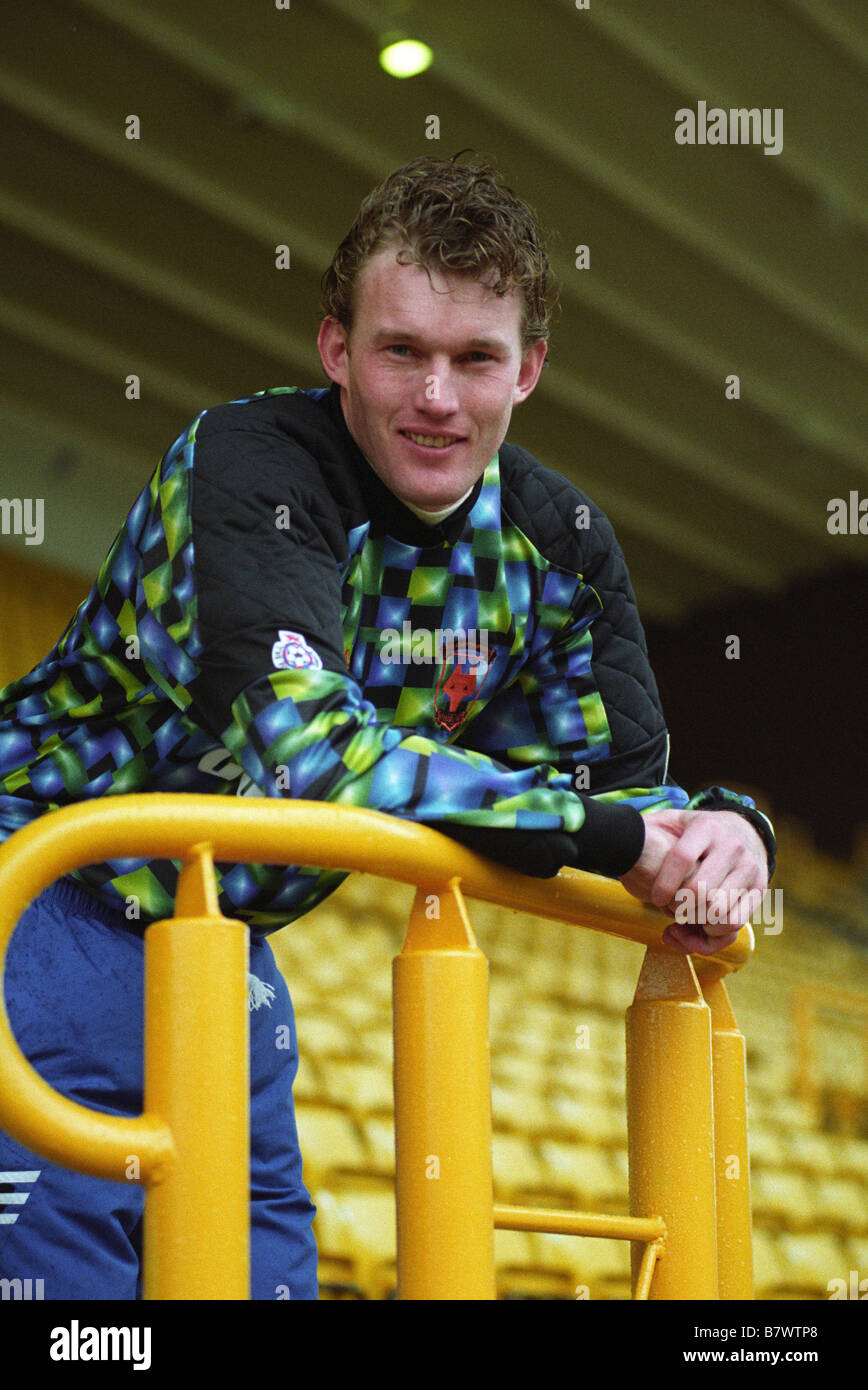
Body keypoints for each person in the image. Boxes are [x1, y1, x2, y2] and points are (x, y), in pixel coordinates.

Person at [0, 154, 775, 1300]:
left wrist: (729, 832)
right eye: (400, 349)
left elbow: (626, 798)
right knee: (76, 1317)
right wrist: (624, 838)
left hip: (226, 946)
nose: (437, 397)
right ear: (336, 352)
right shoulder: (248, 466)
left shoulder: (558, 545)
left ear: (531, 371)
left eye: (476, 359)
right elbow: (307, 752)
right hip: (39, 890)